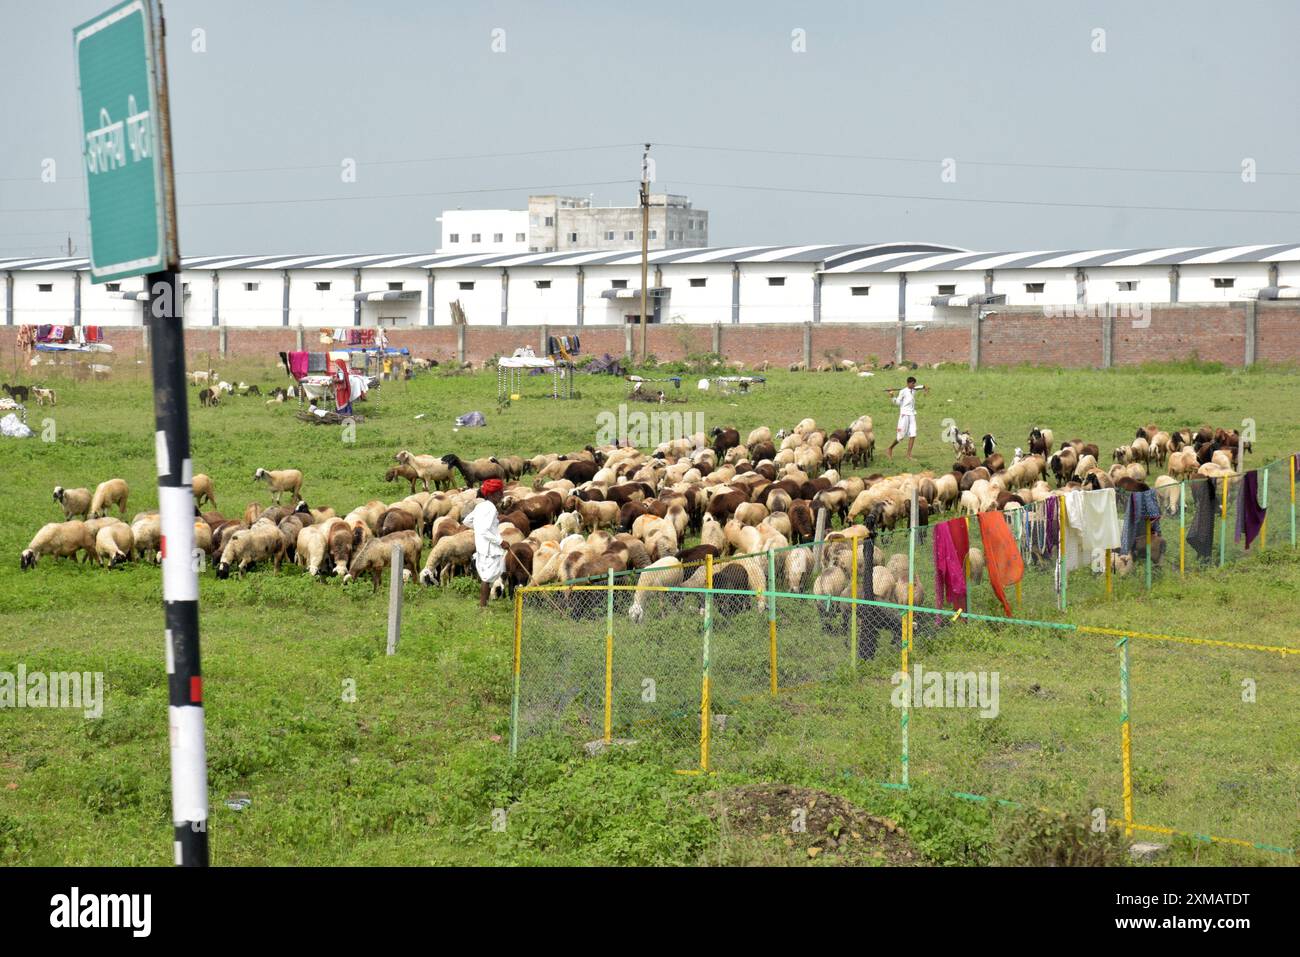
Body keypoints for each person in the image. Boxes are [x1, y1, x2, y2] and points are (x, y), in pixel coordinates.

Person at [462, 478, 506, 607]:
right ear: (491, 494)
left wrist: (478, 527)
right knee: (486, 579)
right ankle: (483, 606)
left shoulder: (481, 505)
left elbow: (467, 521)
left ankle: (484, 604)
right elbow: (486, 530)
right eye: (499, 493)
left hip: (481, 547)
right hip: (490, 548)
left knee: (487, 577)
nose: (501, 495)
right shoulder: (491, 508)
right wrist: (501, 541)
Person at [886, 375, 926, 460]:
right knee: (900, 437)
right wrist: (892, 395)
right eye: (912, 384)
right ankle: (890, 448)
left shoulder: (914, 389)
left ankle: (908, 455)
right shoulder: (903, 391)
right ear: (908, 383)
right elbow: (897, 403)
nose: (914, 385)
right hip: (904, 415)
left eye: (914, 384)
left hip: (912, 415)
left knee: (913, 434)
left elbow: (919, 387)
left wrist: (924, 387)